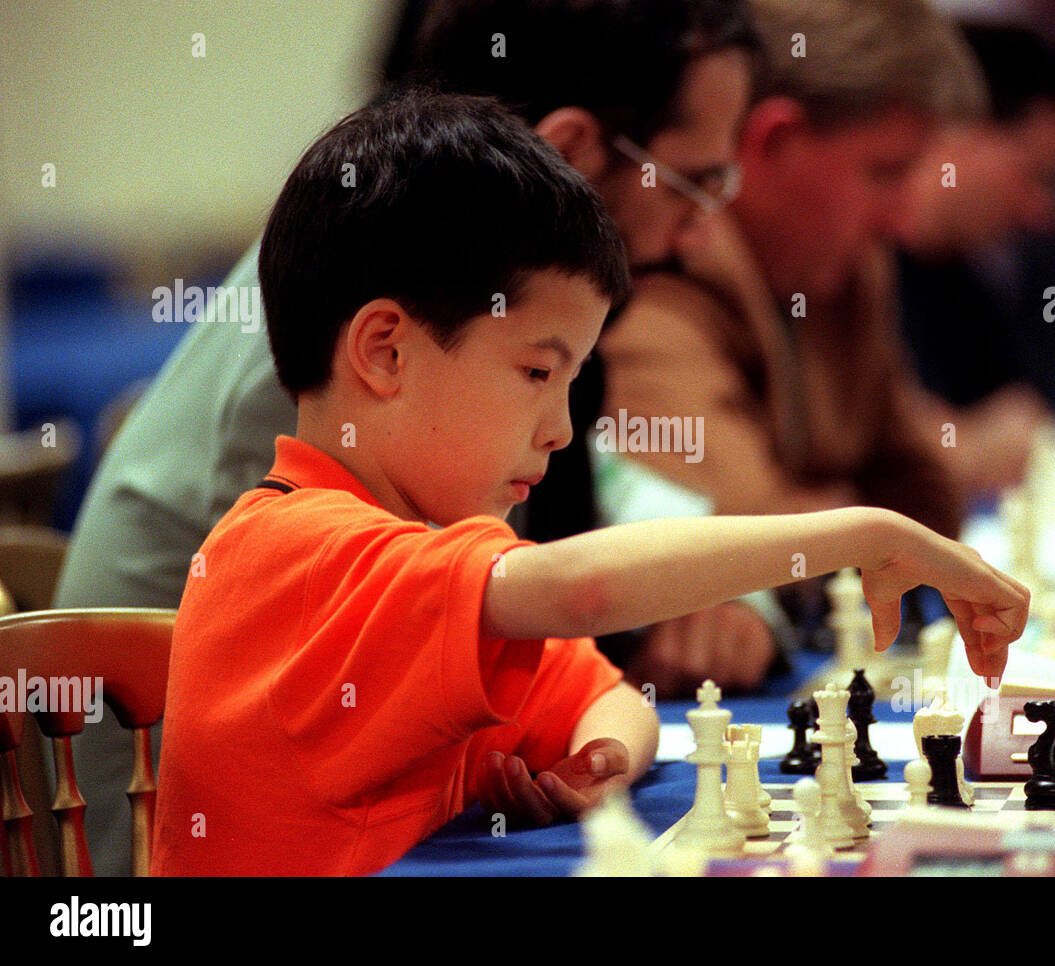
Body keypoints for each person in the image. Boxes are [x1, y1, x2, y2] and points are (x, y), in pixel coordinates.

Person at [151, 89, 1028, 874]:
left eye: (573, 383)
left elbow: (606, 694)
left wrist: (598, 755)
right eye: (537, 373)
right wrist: (864, 534)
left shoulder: (428, 555)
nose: (562, 428)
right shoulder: (294, 551)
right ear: (385, 351)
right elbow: (582, 595)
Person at [57, 0, 772, 874]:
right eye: (695, 183)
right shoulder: (337, 418)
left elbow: (575, 625)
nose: (701, 238)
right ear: (576, 150)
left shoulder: (452, 335)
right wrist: (850, 538)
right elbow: (560, 587)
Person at [599, 0, 985, 646]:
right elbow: (735, 540)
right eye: (885, 171)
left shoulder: (847, 274)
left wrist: (828, 515)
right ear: (775, 140)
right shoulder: (663, 263)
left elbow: (925, 503)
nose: (904, 221)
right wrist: (848, 519)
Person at [895, 19, 1055, 496]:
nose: (1045, 215)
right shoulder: (848, 269)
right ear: (958, 133)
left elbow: (1025, 416)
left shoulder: (965, 280)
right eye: (1037, 176)